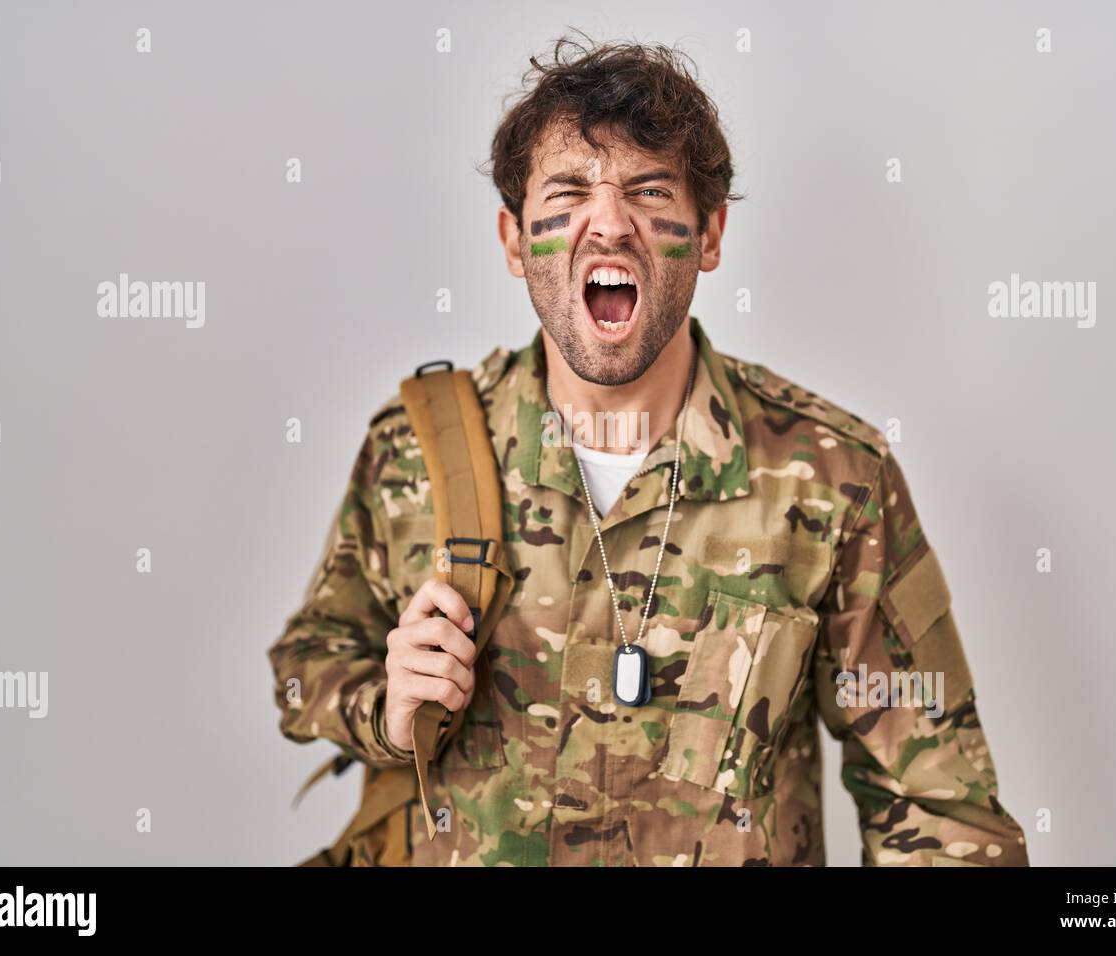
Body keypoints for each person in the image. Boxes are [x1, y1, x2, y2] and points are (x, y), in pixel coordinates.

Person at [268, 34, 1029, 866]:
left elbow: (938, 807)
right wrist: (388, 705)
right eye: (568, 192)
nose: (608, 222)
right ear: (516, 241)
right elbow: (304, 668)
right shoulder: (414, 450)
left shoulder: (834, 476)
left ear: (708, 236)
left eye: (649, 189)